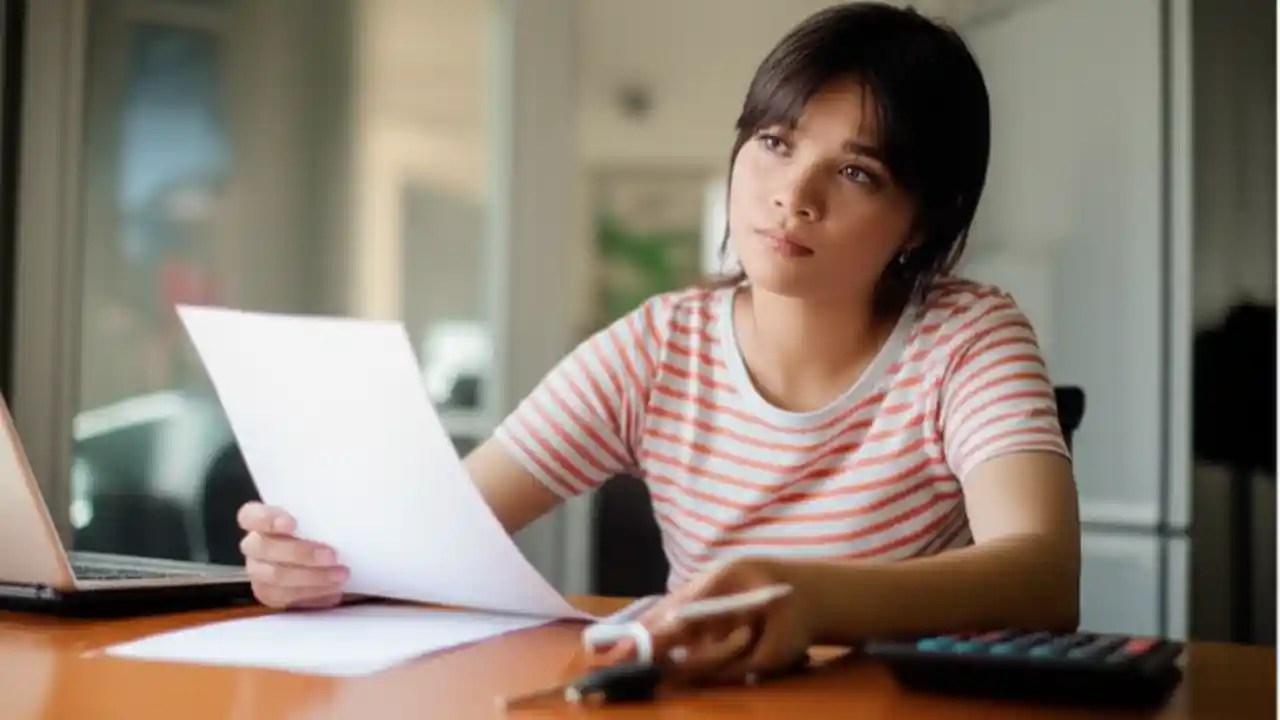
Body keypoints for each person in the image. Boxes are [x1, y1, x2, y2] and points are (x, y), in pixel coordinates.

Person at [235, 1, 1080, 687]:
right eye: (776, 145)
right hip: (703, 699)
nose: (794, 196)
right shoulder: (658, 347)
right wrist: (318, 566)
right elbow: (441, 535)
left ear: (920, 223)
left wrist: (806, 598)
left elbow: (1043, 578)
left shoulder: (967, 336)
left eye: (857, 173)